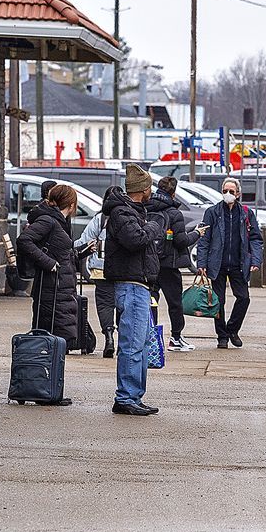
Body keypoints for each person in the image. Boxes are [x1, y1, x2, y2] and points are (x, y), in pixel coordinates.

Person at [104, 164, 163, 416]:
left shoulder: (133, 211)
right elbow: (135, 240)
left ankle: (134, 396)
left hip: (140, 284)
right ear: (144, 189)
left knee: (140, 344)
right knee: (131, 343)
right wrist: (154, 227)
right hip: (131, 285)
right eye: (150, 187)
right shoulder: (122, 213)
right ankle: (126, 397)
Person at [196, 177, 264, 349]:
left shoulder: (246, 213)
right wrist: (201, 264)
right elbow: (204, 240)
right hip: (217, 263)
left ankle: (232, 329)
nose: (228, 194)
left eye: (231, 191)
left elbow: (256, 238)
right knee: (218, 301)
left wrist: (255, 260)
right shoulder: (212, 212)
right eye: (225, 191)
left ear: (238, 193)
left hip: (239, 264)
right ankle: (222, 336)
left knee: (244, 298)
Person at [146, 176, 207, 352]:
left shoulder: (147, 208)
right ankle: (176, 337)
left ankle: (151, 336)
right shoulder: (174, 213)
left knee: (151, 299)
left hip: (150, 262)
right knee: (175, 302)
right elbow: (181, 241)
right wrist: (197, 233)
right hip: (169, 264)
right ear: (173, 192)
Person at [17, 184, 80, 348]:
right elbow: (24, 240)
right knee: (51, 338)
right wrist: (48, 262)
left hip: (60, 287)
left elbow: (59, 250)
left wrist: (82, 251)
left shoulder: (60, 221)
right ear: (72, 204)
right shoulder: (48, 220)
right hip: (51, 288)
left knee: (57, 340)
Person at [74, 186, 123, 358]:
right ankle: (124, 342)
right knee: (123, 305)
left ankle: (109, 337)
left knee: (105, 305)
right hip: (124, 271)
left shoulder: (100, 219)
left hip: (100, 270)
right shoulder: (128, 217)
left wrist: (69, 249)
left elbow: (84, 240)